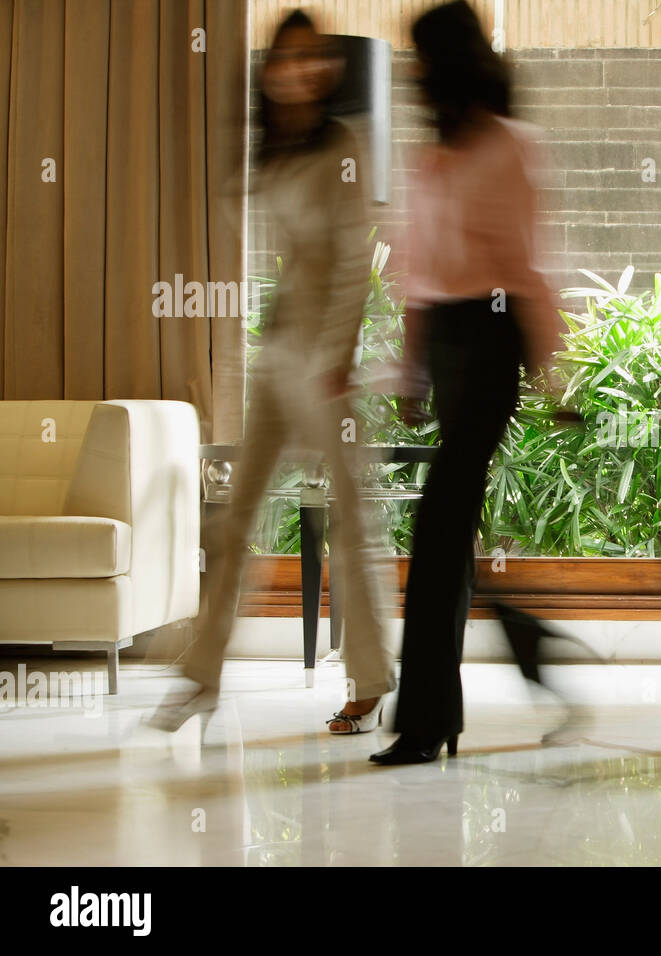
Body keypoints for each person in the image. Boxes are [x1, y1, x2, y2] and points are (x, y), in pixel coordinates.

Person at [150, 10, 395, 733]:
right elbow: (255, 222)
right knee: (233, 520)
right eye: (287, 58)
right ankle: (202, 674)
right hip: (280, 354)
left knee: (354, 521)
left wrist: (339, 357)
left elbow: (354, 263)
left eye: (312, 58)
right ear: (271, 71)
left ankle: (371, 678)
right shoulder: (272, 151)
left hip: (328, 367)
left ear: (326, 70)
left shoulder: (343, 147)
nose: (300, 69)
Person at [370, 1, 563, 765]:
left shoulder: (513, 147)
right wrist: (411, 367)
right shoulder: (433, 157)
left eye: (419, 58)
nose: (412, 72)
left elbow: (527, 266)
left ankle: (423, 720)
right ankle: (526, 648)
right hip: (447, 347)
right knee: (449, 535)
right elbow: (416, 274)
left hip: (489, 347)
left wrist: (552, 371)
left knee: (439, 527)